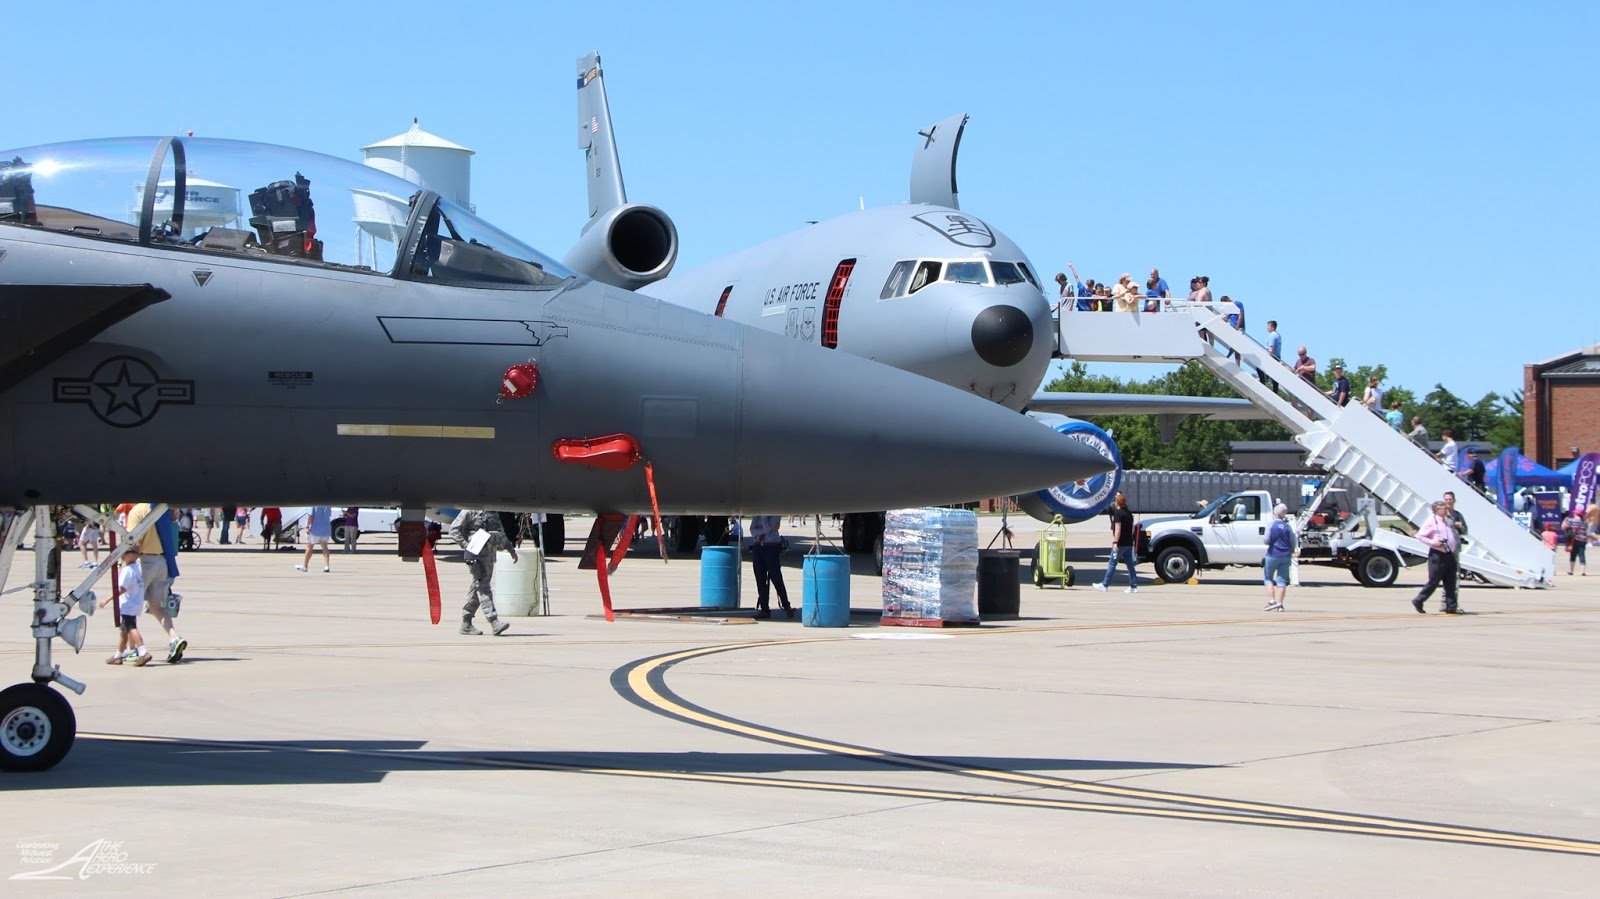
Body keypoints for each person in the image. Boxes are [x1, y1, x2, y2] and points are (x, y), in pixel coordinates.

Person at [122, 503, 187, 662]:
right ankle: (174, 638)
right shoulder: (162, 508)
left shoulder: (137, 511)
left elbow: (134, 541)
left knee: (130, 606)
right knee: (156, 607)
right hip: (163, 561)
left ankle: (133, 649)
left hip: (144, 561)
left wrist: (126, 564)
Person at [448, 509, 517, 636]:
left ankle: (466, 622)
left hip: (489, 556)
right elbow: (453, 530)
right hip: (475, 557)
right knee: (483, 588)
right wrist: (467, 546)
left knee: (477, 587)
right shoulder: (468, 512)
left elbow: (500, 532)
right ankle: (493, 621)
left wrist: (511, 549)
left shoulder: (492, 512)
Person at [100, 545, 154, 666]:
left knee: (130, 628)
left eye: (127, 553)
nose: (123, 555)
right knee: (123, 631)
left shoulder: (127, 570)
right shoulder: (135, 568)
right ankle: (118, 655)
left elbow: (122, 589)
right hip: (134, 603)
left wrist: (107, 599)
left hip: (128, 604)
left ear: (135, 555)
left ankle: (143, 652)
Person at [1410, 500, 1462, 614]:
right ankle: (1419, 600)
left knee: (1450, 581)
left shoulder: (1447, 521)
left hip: (1449, 554)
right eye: (1443, 508)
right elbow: (1420, 536)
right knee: (1434, 581)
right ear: (1437, 510)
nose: (1445, 510)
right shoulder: (1431, 521)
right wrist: (1433, 543)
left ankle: (1451, 606)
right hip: (1437, 555)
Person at [746, 515, 793, 619]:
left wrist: (763, 518)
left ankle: (786, 605)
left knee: (776, 577)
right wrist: (765, 530)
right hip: (758, 546)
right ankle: (764, 609)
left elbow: (767, 528)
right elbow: (752, 530)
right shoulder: (756, 515)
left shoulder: (775, 515)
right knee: (760, 578)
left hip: (771, 546)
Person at [1092, 492, 1139, 593]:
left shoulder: (1118, 514)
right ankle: (1133, 586)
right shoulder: (1129, 514)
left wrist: (1115, 542)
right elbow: (1132, 530)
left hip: (1120, 544)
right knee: (1130, 565)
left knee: (1112, 563)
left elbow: (1117, 529)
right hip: (1129, 543)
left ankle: (1105, 584)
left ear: (1117, 503)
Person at [1261, 503, 1295, 611]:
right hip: (1285, 555)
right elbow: (1293, 541)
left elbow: (1266, 540)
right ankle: (1280, 604)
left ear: (1275, 513)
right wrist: (1291, 550)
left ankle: (1272, 601)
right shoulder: (1288, 526)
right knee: (1282, 580)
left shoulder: (1271, 525)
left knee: (1268, 578)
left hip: (1272, 554)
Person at [296, 506, 334, 572]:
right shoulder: (327, 505)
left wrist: (307, 526)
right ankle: (326, 566)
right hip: (325, 528)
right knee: (325, 547)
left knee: (309, 546)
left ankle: (305, 565)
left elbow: (310, 515)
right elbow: (329, 514)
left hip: (315, 528)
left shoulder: (313, 505)